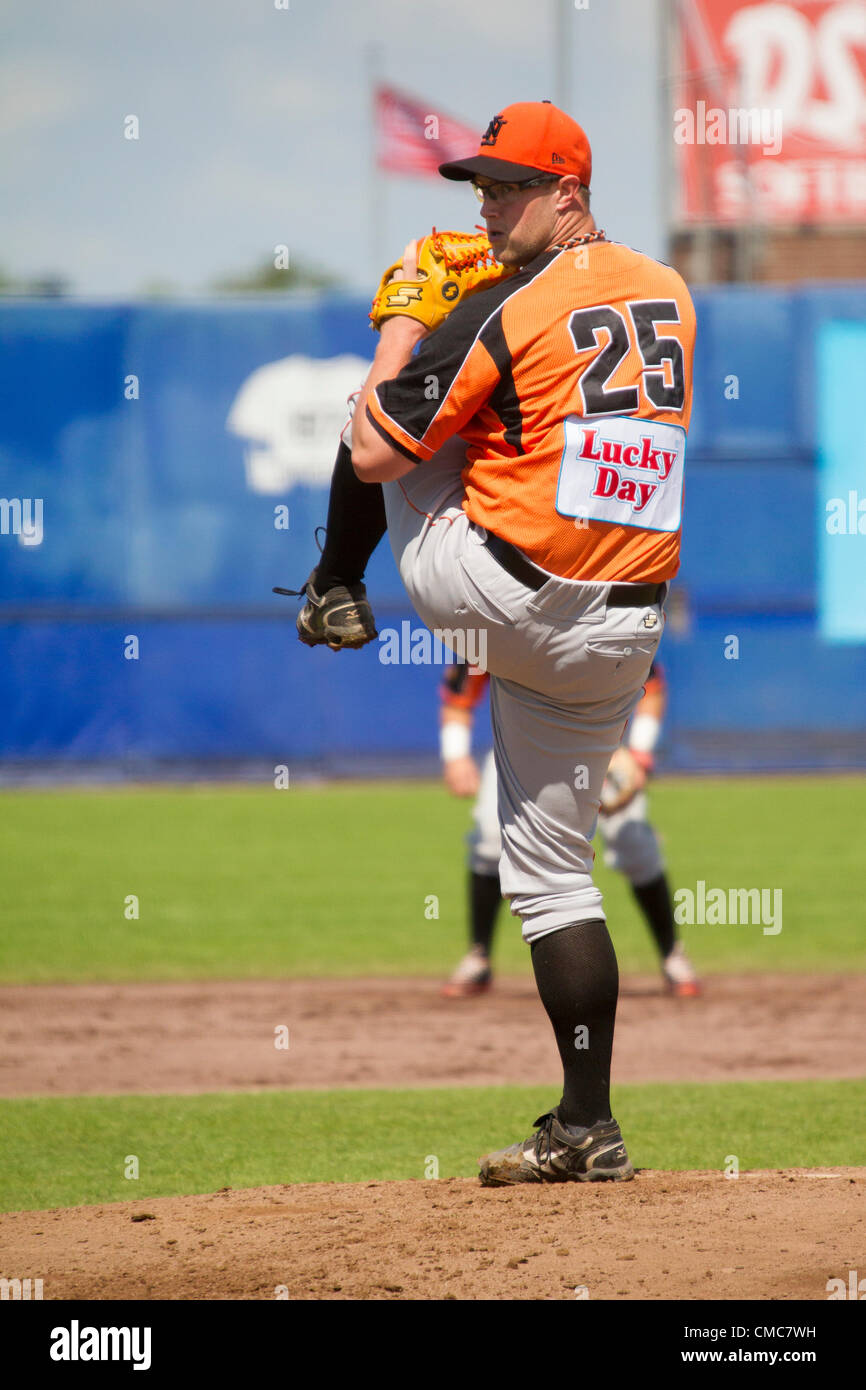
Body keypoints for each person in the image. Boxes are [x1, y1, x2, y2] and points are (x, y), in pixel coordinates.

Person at [290, 101, 696, 1185]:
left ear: (569, 192)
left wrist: (405, 324)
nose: (488, 202)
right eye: (481, 186)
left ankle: (333, 587)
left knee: (368, 413)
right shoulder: (667, 288)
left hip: (498, 602)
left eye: (511, 186)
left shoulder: (501, 306)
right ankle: (585, 1126)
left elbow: (379, 447)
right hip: (623, 625)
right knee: (555, 879)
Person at [438, 659, 701, 999]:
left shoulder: (596, 613)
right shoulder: (501, 612)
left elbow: (651, 685)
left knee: (633, 840)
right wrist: (456, 754)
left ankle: (672, 955)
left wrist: (640, 753)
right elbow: (460, 691)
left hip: (600, 748)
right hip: (520, 752)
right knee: (490, 840)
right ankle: (478, 956)